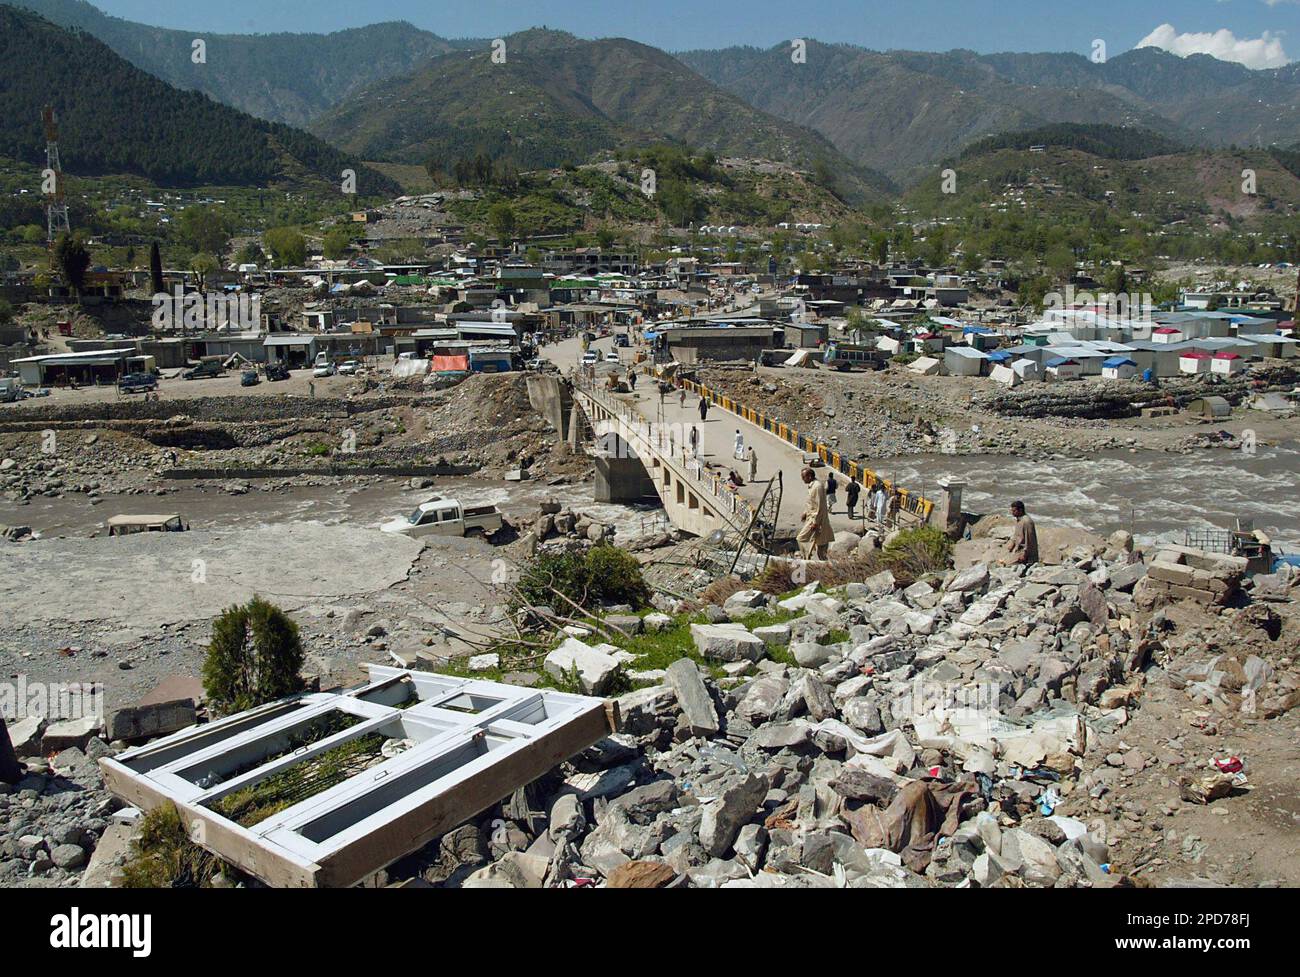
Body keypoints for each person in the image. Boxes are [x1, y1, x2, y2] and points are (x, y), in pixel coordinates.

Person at [797, 467, 834, 561]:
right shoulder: (812, 485)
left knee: (801, 538)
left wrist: (816, 522)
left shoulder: (817, 487)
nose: (802, 479)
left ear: (809, 476)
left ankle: (806, 558)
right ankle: (808, 557)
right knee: (819, 546)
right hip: (812, 517)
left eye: (803, 477)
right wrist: (805, 512)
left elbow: (820, 506)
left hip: (817, 520)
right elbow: (811, 502)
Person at [1004, 500, 1040, 567]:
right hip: (1019, 551)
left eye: (1014, 511)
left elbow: (1029, 540)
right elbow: (1017, 534)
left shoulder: (1027, 522)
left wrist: (1024, 554)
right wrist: (1012, 544)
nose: (1012, 513)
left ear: (1020, 510)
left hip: (1027, 556)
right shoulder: (1019, 520)